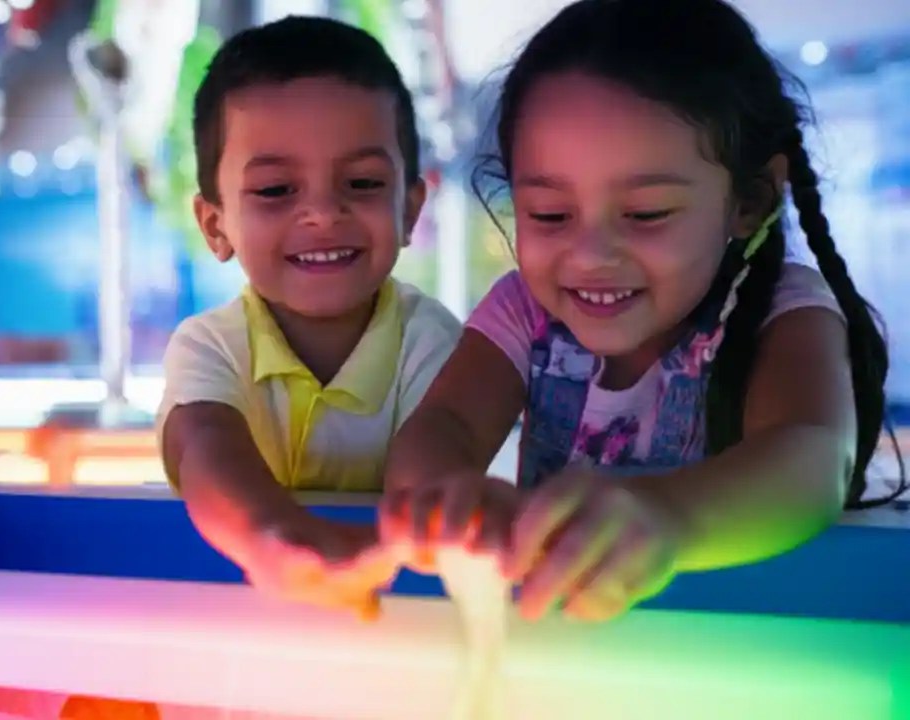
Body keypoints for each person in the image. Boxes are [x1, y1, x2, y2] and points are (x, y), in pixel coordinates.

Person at [382, 0, 901, 624]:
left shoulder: (783, 313)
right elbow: (447, 424)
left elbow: (810, 456)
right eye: (550, 214)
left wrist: (666, 519)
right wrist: (439, 495)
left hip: (748, 635)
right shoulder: (523, 312)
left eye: (646, 213)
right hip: (570, 640)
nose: (591, 254)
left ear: (750, 199)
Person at [157, 15, 461, 620]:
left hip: (397, 621)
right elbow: (204, 444)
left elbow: (437, 464)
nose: (323, 212)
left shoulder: (433, 341)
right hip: (241, 622)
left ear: (409, 208)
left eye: (363, 181)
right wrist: (269, 534)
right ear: (216, 225)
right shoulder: (209, 346)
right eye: (275, 190)